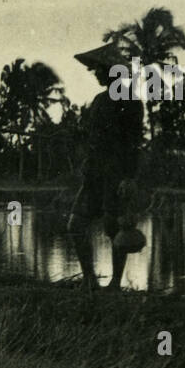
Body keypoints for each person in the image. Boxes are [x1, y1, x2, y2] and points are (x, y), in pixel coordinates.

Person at [67, 43, 146, 291]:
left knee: (115, 229)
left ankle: (114, 283)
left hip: (116, 174)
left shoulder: (131, 102)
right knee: (76, 224)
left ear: (113, 71)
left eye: (99, 69)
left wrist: (129, 177)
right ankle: (89, 278)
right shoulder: (100, 100)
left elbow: (133, 143)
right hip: (94, 173)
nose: (96, 74)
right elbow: (90, 136)